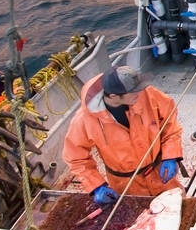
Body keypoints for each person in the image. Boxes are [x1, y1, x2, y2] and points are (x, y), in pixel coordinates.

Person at [64, 65, 184, 205]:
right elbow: (76, 158)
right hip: (126, 185)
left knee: (179, 208)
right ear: (114, 96)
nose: (140, 93)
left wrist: (171, 155)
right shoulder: (83, 120)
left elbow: (170, 123)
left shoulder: (147, 94)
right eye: (133, 92)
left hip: (161, 175)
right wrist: (96, 186)